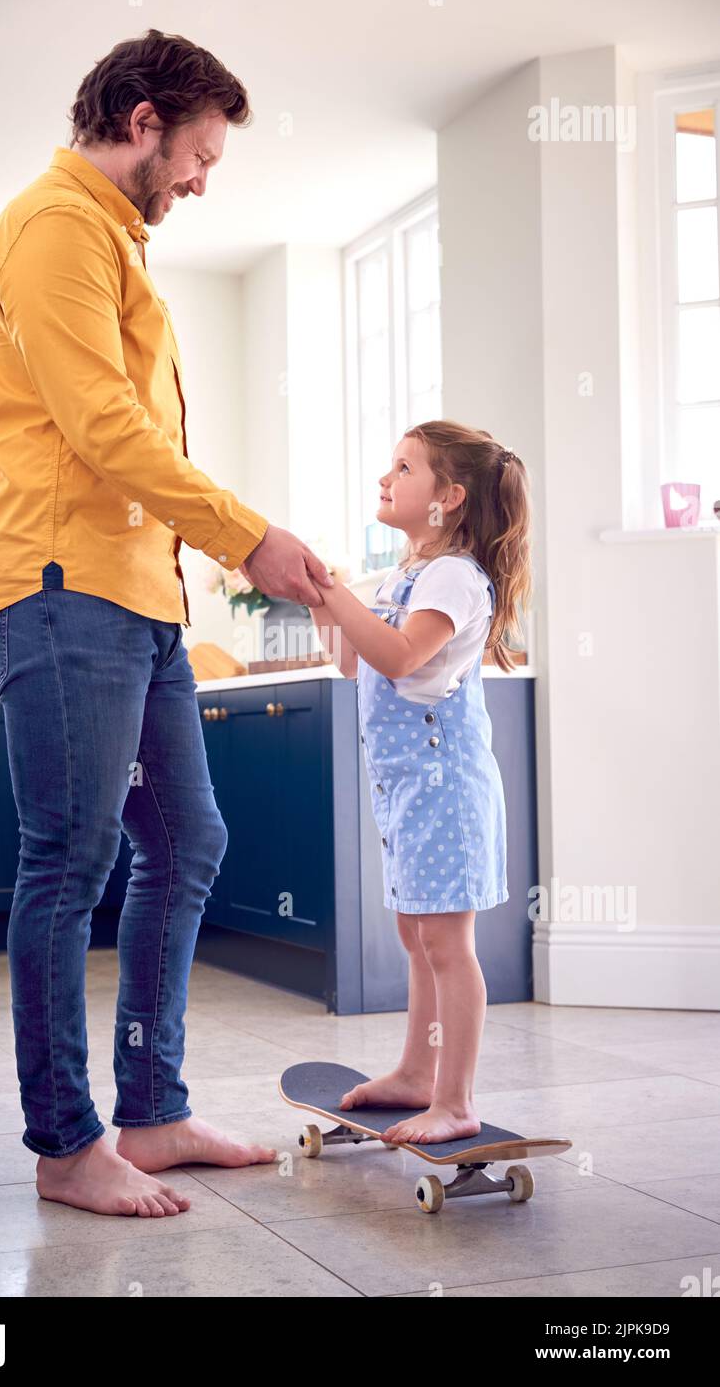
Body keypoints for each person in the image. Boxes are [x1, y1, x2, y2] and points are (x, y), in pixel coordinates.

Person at [0, 30, 333, 1219]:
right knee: (66, 860)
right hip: (62, 589)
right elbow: (106, 428)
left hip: (134, 595)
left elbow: (106, 443)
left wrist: (194, 559)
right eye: (199, 154)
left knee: (186, 842)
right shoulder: (58, 225)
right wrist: (246, 537)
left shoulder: (108, 240)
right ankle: (67, 1143)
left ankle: (153, 1109)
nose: (202, 178)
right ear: (141, 120)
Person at [308, 421, 531, 1144]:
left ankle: (456, 1099)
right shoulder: (404, 573)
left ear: (450, 499)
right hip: (407, 789)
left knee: (445, 943)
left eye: (404, 468)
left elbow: (402, 658)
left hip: (446, 789)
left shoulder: (455, 578)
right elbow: (352, 660)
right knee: (416, 934)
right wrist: (318, 595)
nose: (386, 479)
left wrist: (337, 593)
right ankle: (414, 1073)